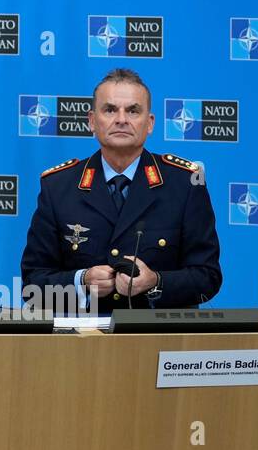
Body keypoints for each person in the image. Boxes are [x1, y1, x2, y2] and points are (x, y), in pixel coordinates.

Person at [20, 68, 221, 311]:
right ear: (92, 121)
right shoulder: (58, 186)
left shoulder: (185, 183)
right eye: (110, 110)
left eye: (133, 110)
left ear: (150, 123)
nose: (122, 119)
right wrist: (81, 282)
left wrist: (155, 282)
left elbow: (207, 278)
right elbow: (32, 287)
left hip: (157, 338)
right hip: (83, 340)